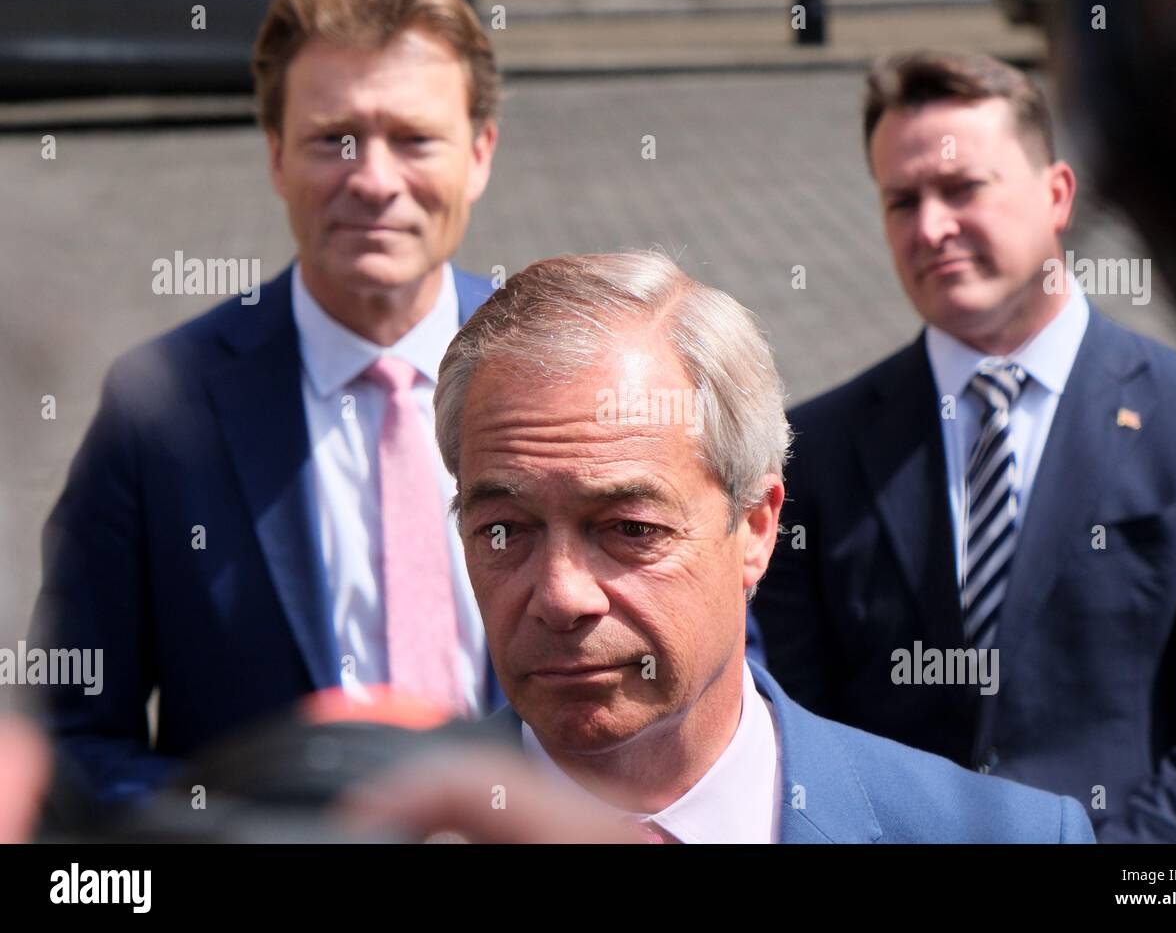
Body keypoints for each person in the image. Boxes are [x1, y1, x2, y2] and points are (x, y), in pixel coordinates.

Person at [751, 51, 1176, 842]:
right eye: (902, 200)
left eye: (962, 189)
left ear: (1057, 195)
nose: (932, 226)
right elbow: (795, 722)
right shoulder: (816, 452)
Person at [424, 250, 1095, 843]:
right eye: (504, 532)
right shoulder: (372, 827)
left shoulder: (1001, 835)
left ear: (755, 528)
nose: (561, 595)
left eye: (630, 529)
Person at [31, 0, 503, 807]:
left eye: (415, 138)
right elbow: (69, 737)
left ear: (480, 153)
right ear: (276, 154)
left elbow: (711, 683)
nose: (374, 180)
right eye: (335, 139)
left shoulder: (570, 373)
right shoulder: (159, 411)